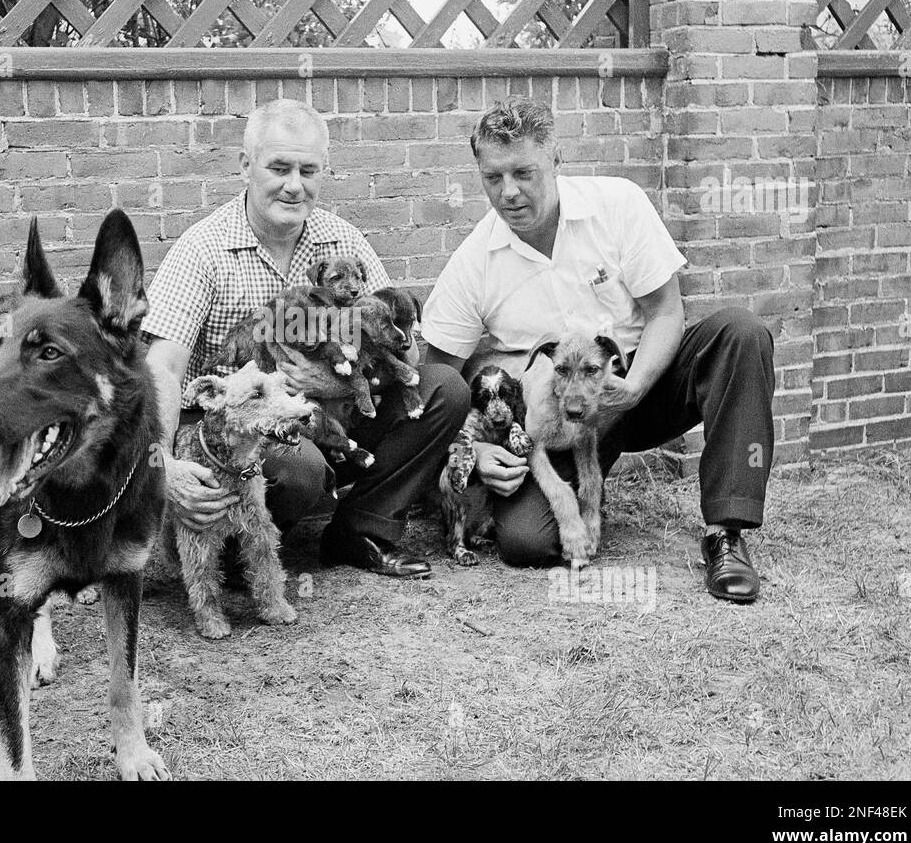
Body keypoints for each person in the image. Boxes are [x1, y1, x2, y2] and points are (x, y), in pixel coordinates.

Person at [421, 96, 774, 603]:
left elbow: (666, 312)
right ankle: (587, 495)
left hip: (641, 382)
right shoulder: (474, 260)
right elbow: (438, 382)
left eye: (524, 172)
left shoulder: (618, 204)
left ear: (556, 160)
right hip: (559, 417)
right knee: (526, 542)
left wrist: (633, 387)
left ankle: (726, 533)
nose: (509, 192)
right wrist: (473, 449)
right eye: (492, 178)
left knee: (740, 333)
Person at [142, 98, 470, 579]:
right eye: (279, 167)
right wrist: (164, 468)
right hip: (239, 428)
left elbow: (406, 346)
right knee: (299, 465)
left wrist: (335, 384)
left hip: (333, 405)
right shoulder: (203, 249)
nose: (294, 185)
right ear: (245, 166)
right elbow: (162, 369)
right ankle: (232, 548)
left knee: (444, 387)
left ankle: (360, 530)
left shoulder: (344, 242)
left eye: (308, 170)